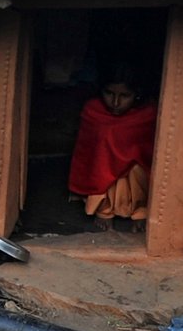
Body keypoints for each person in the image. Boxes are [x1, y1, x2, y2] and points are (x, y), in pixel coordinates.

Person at [67, 72, 157, 231]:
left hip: (134, 175)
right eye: (109, 93)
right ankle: (104, 208)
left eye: (125, 96)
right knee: (103, 163)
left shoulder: (148, 113)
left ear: (137, 95)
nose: (115, 102)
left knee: (138, 169)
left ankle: (140, 209)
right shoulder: (93, 110)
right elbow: (87, 153)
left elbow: (148, 153)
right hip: (102, 170)